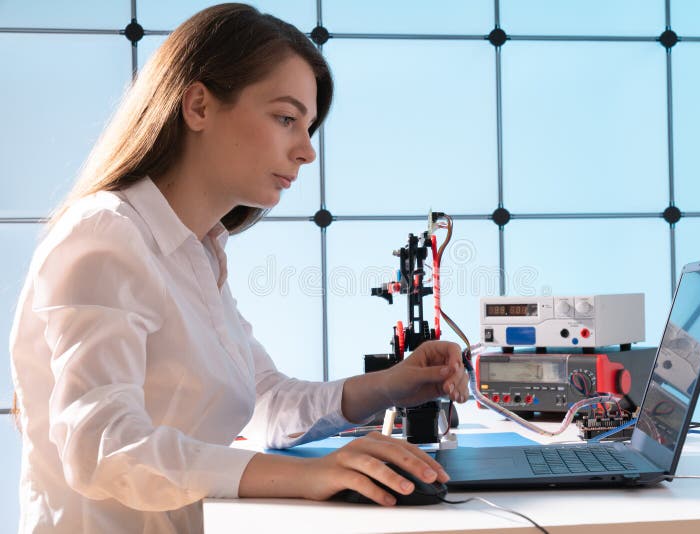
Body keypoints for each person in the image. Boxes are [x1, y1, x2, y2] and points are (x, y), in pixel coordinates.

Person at [9, 4, 469, 533]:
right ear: (199, 105)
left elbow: (266, 403)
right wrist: (307, 476)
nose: (306, 151)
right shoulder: (106, 233)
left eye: (309, 126)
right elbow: (101, 447)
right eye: (285, 118)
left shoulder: (199, 252)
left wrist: (392, 385)